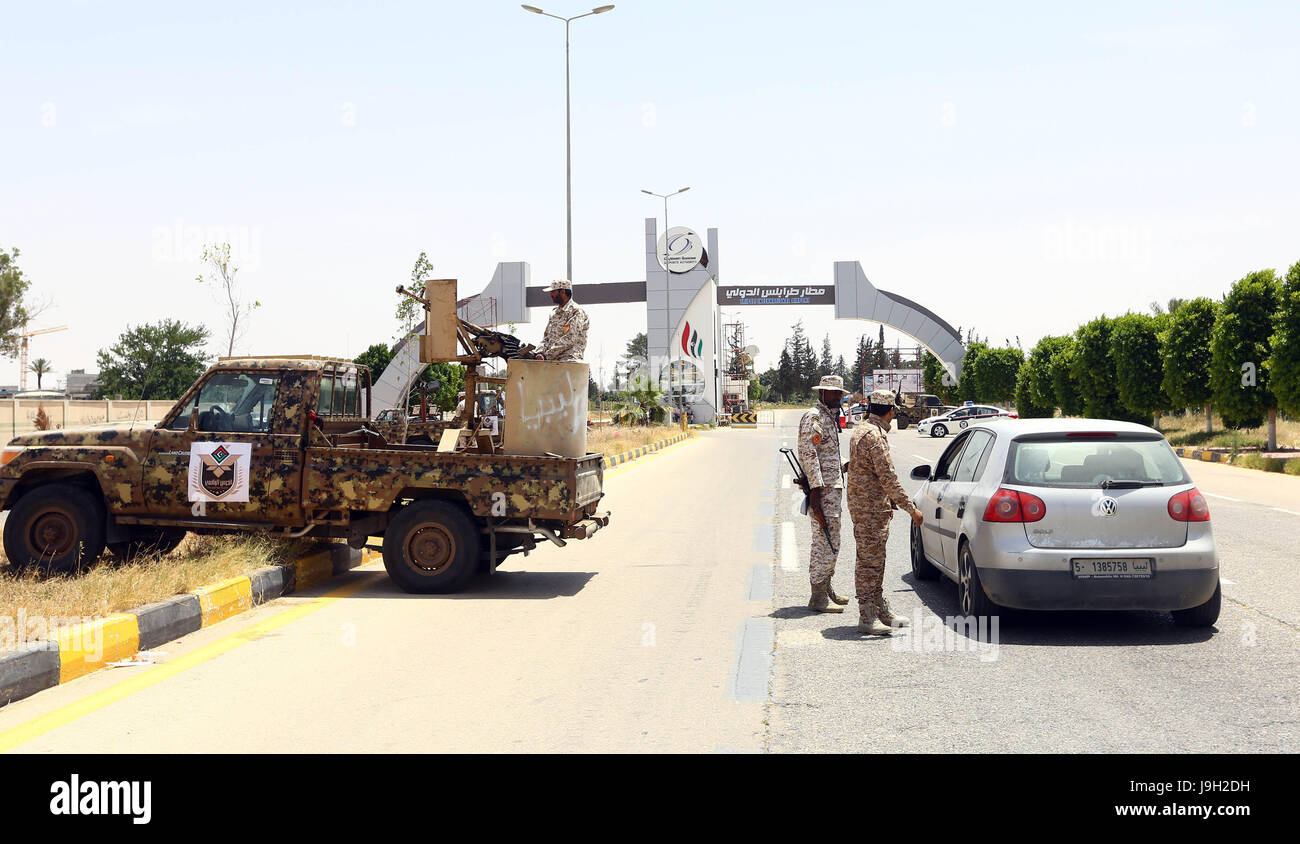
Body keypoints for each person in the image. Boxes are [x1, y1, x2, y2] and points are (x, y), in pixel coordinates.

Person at [846, 389, 925, 635]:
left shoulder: (861, 429)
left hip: (866, 506)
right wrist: (911, 509)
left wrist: (888, 503)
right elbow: (888, 478)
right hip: (869, 510)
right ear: (891, 411)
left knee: (874, 560)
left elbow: (866, 473)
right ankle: (867, 617)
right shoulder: (875, 437)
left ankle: (879, 608)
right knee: (869, 563)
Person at [797, 375, 850, 613]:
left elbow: (827, 457)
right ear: (821, 393)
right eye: (833, 392)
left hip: (832, 488)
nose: (838, 396)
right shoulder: (814, 417)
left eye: (839, 393)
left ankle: (825, 585)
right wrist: (816, 496)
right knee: (824, 541)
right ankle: (818, 597)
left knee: (832, 541)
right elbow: (809, 455)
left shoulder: (828, 416)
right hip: (823, 492)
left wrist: (847, 463)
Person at [533, 279, 589, 362]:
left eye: (553, 291)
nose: (550, 294)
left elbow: (570, 338)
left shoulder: (576, 312)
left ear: (562, 292)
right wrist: (538, 352)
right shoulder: (554, 314)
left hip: (569, 362)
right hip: (551, 362)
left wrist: (547, 355)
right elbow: (546, 338)